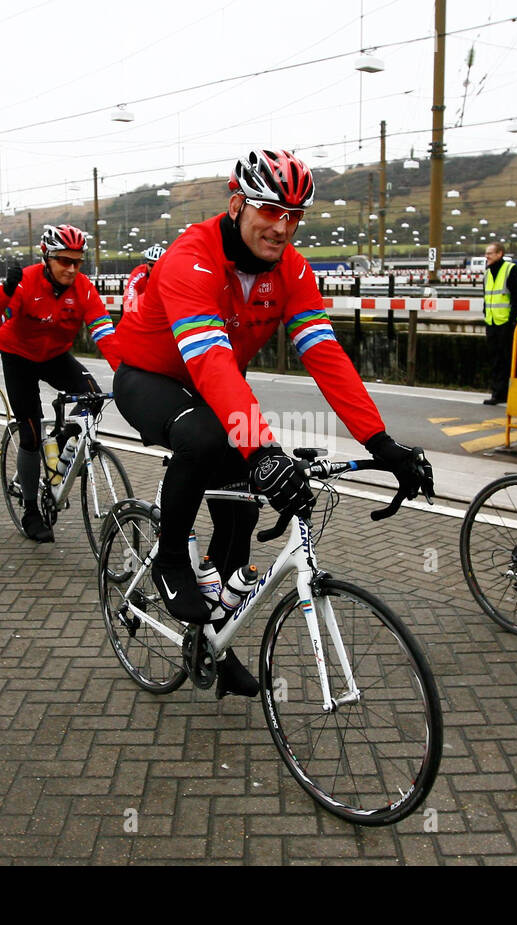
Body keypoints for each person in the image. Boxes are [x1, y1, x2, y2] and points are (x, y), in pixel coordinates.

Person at [110, 148, 435, 699]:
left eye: (295, 215)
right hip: (150, 376)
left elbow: (325, 354)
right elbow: (210, 360)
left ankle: (213, 638)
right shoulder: (193, 256)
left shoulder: (292, 270)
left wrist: (380, 441)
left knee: (239, 515)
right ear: (237, 204)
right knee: (212, 438)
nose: (283, 227)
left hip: (213, 384)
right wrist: (262, 451)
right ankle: (169, 560)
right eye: (270, 210)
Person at [0, 224, 120, 543]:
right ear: (46, 257)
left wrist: (125, 373)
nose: (71, 268)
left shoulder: (83, 288)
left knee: (93, 396)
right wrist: (5, 292)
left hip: (55, 355)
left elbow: (104, 331)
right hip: (19, 356)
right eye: (64, 261)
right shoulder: (25, 281)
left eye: (77, 262)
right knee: (30, 434)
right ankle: (30, 509)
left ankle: (64, 445)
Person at [481, 241, 517, 405]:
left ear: (499, 254)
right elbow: (486, 297)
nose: (487, 256)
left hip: (506, 323)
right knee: (496, 360)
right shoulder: (487, 273)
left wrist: (512, 320)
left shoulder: (509, 269)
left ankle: (516, 394)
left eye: (490, 253)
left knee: (510, 359)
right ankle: (498, 394)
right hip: (492, 322)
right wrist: (486, 314)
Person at [121, 245, 165, 324]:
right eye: (151, 265)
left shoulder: (169, 274)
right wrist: (131, 320)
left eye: (158, 265)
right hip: (143, 312)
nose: (154, 268)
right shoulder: (139, 273)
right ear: (146, 264)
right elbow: (129, 296)